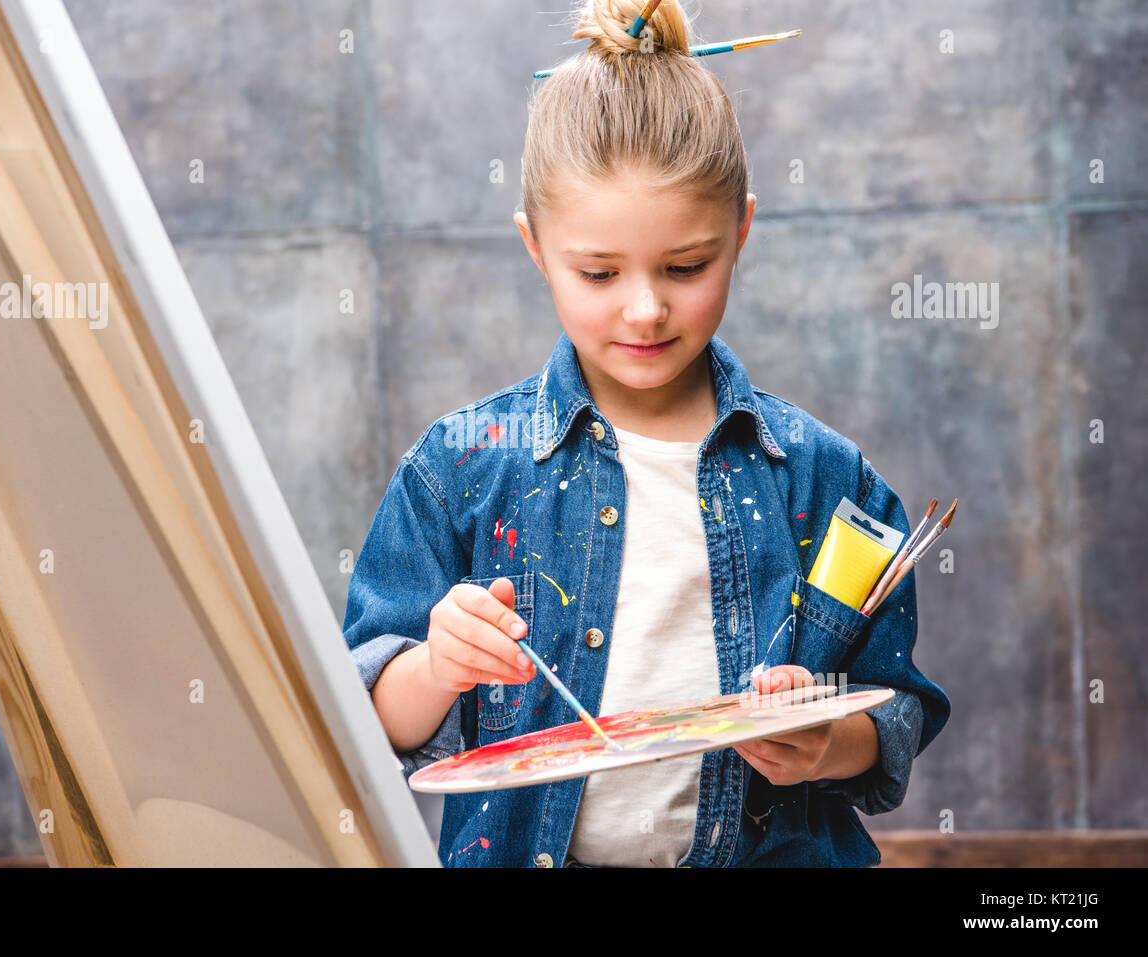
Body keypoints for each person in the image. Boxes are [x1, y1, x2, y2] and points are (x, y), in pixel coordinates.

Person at [342, 0, 950, 868]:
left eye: (686, 266)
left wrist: (824, 738)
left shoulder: (822, 476)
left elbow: (898, 708)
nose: (645, 308)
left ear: (740, 229)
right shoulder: (461, 468)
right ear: (536, 248)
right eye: (597, 271)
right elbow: (362, 721)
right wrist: (440, 663)